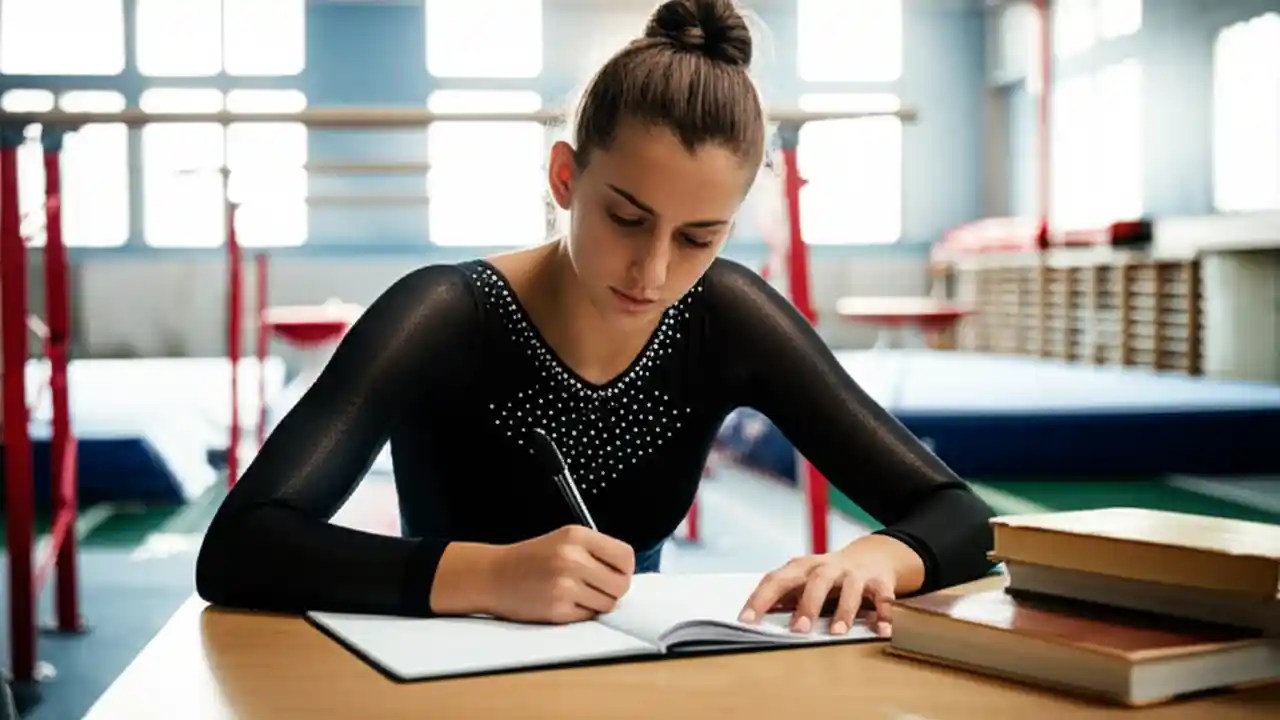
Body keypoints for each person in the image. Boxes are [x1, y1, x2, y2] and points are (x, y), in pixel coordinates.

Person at [195, 0, 996, 639]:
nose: (653, 272)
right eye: (626, 218)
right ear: (565, 175)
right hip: (444, 677)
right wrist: (485, 576)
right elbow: (241, 547)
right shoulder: (443, 314)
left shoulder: (727, 316)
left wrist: (877, 557)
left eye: (698, 237)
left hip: (623, 674)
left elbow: (959, 515)